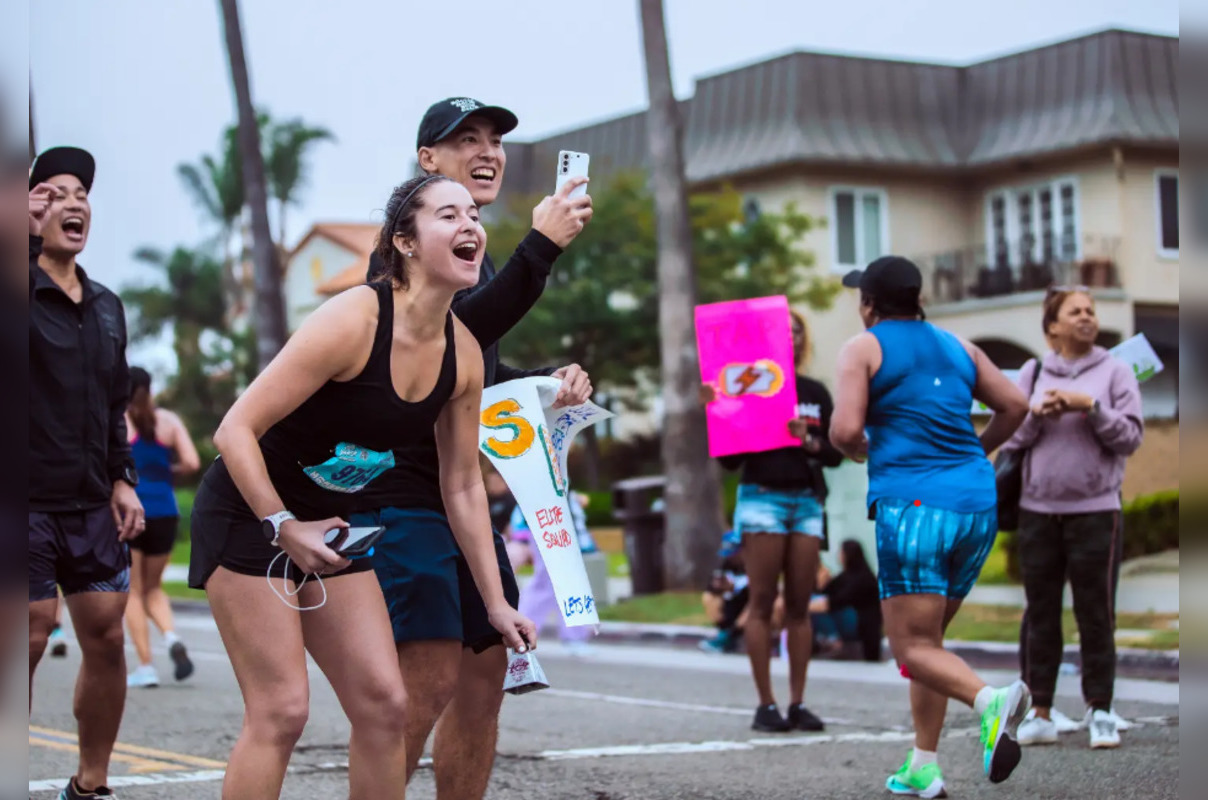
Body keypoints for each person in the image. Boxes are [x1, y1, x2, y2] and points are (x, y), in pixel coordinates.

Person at [187, 174, 537, 800]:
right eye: (448, 215)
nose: (471, 227)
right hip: (250, 514)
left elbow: (461, 486)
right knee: (282, 710)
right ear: (404, 241)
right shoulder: (354, 318)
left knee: (383, 704)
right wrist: (282, 524)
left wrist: (495, 601)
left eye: (474, 217)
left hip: (336, 526)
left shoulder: (463, 355)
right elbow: (234, 429)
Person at [354, 97, 593, 799]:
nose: (487, 150)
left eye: (495, 139)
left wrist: (545, 385)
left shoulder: (473, 257)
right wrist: (540, 248)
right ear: (427, 160)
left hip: (459, 499)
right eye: (466, 139)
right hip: (399, 496)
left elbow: (470, 371)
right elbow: (440, 339)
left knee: (486, 676)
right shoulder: (406, 251)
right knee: (422, 686)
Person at [829, 255, 1032, 798]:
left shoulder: (863, 347)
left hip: (914, 505)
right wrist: (974, 455)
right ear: (918, 298)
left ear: (868, 304)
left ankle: (992, 702)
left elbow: (845, 429)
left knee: (911, 645)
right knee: (930, 643)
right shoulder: (959, 346)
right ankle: (923, 764)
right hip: (975, 505)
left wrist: (860, 450)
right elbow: (1015, 404)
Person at [29, 146, 145, 800]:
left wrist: (122, 477)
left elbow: (112, 404)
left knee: (104, 633)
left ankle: (90, 783)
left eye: (81, 193)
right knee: (30, 628)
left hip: (89, 501)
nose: (72, 202)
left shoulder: (107, 306)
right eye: (54, 192)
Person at [1003, 287, 1143, 750]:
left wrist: (1092, 407)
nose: (1086, 317)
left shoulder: (1116, 370)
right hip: (1038, 512)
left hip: (1096, 511)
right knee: (1040, 614)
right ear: (1053, 328)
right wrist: (1037, 413)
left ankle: (1099, 709)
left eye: (1090, 311)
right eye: (1074, 312)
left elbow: (1130, 437)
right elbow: (1011, 437)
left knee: (1095, 614)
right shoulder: (1033, 371)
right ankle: (1038, 711)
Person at [714, 309, 843, 733]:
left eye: (799, 331)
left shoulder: (814, 392)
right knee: (762, 600)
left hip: (806, 502)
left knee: (800, 606)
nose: (793, 336)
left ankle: (799, 702)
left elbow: (835, 454)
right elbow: (730, 460)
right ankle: (766, 705)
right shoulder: (747, 387)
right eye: (784, 330)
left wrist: (806, 438)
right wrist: (720, 410)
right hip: (762, 499)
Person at [123, 367, 201, 688]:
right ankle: (170, 637)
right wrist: (168, 470)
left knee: (132, 591)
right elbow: (193, 462)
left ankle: (145, 666)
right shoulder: (169, 421)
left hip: (131, 511)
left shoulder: (119, 420)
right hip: (166, 511)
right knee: (153, 588)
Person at [511, 503, 595, 653]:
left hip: (557, 528)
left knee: (567, 585)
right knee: (547, 584)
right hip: (548, 527)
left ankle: (574, 636)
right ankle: (521, 632)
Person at [809, 539, 882, 662]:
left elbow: (837, 601)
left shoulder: (862, 578)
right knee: (813, 600)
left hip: (861, 625)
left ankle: (832, 639)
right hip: (851, 620)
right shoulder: (846, 575)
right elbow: (825, 591)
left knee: (815, 606)